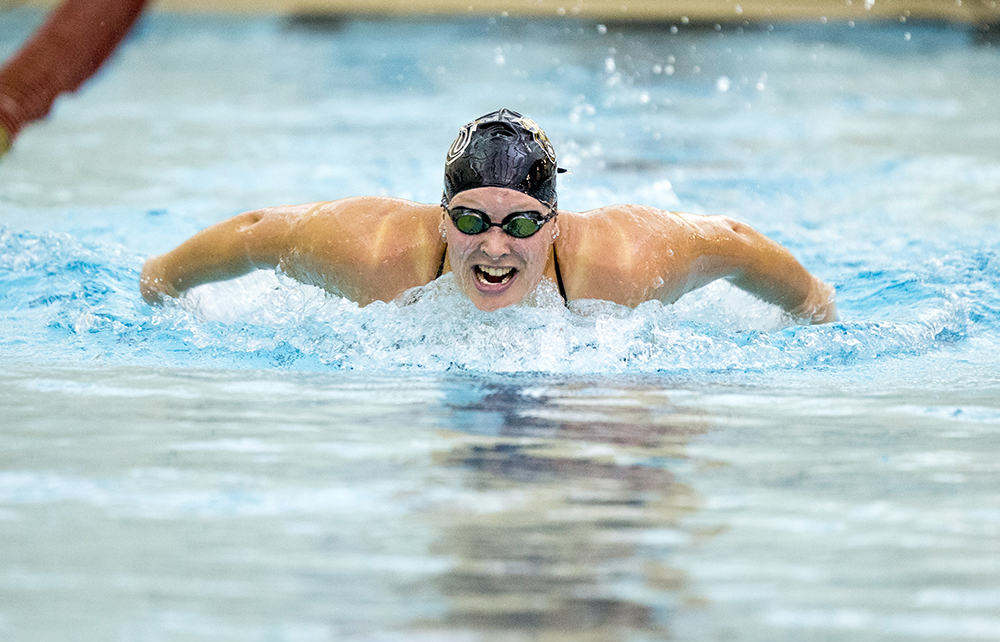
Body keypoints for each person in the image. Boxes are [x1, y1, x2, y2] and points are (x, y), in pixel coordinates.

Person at [140, 108, 837, 323]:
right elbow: (263, 233)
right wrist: (163, 278)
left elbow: (735, 244)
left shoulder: (620, 265)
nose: (495, 247)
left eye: (522, 223)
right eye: (473, 221)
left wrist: (810, 302)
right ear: (442, 219)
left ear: (556, 225)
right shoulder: (379, 256)